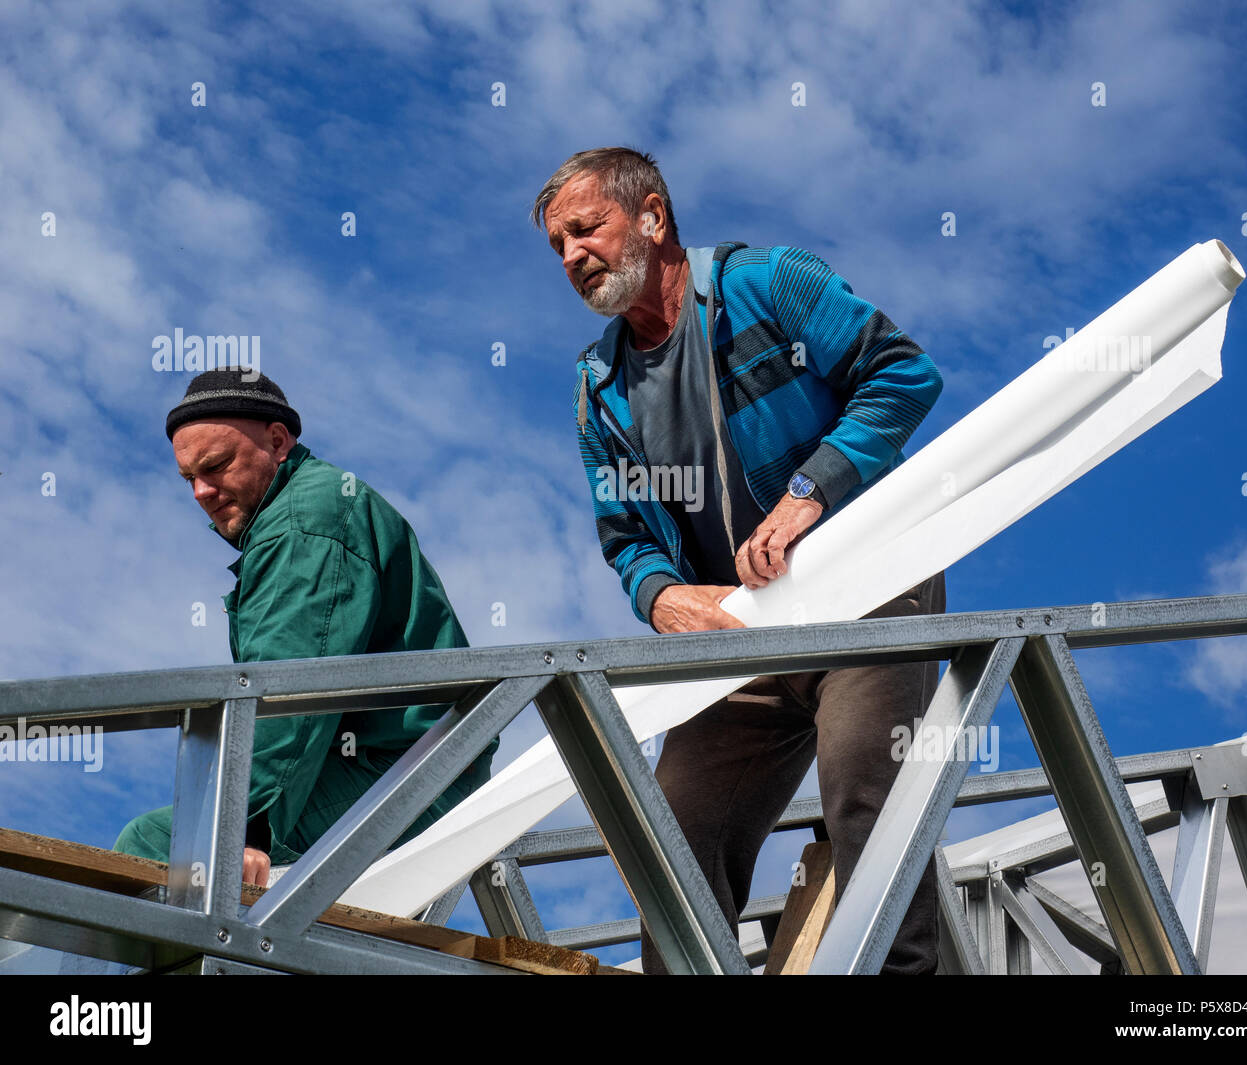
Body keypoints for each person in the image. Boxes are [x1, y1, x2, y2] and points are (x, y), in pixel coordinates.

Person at [533, 147, 947, 974]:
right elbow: (628, 538)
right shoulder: (600, 387)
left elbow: (903, 374)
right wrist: (661, 599)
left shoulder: (768, 283)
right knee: (677, 838)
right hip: (741, 634)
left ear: (651, 216)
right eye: (559, 247)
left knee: (867, 788)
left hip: (860, 589)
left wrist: (810, 492)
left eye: (586, 229)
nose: (573, 256)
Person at [113, 369, 494, 887]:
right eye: (189, 480)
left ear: (277, 440)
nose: (202, 491)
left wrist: (239, 827)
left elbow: (287, 694)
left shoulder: (303, 523)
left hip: (407, 771)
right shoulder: (304, 511)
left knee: (156, 845)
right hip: (392, 762)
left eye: (217, 466)